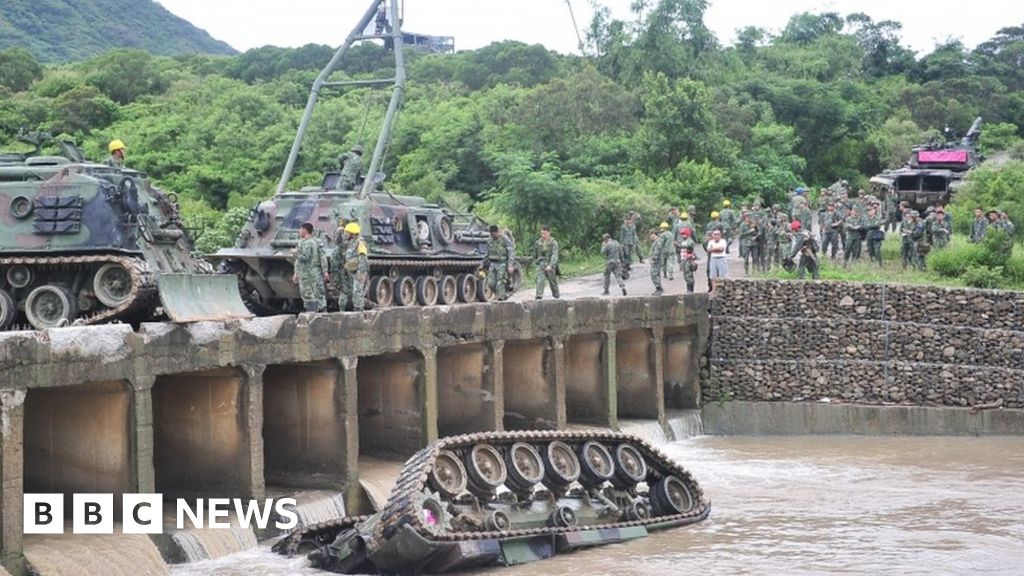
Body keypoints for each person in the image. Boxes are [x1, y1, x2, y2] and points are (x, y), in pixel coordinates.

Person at [292, 222, 328, 312]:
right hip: (313, 272)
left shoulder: (308, 243)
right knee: (319, 293)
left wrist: (295, 252)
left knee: (308, 294)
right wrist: (296, 272)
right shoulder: (315, 241)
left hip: (308, 273)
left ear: (305, 230)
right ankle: (323, 313)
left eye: (300, 229)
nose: (299, 231)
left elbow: (305, 257)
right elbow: (322, 257)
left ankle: (312, 314)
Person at [336, 222, 369, 311]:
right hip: (349, 270)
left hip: (357, 271)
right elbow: (339, 244)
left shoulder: (360, 243)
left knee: (357, 292)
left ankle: (358, 311)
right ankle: (342, 309)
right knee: (345, 291)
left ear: (353, 234)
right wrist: (339, 233)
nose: (345, 234)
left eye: (347, 233)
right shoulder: (350, 242)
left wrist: (361, 272)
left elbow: (363, 258)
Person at [484, 225, 514, 301]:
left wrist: (510, 264)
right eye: (491, 234)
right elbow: (487, 253)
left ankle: (501, 298)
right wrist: (482, 263)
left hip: (502, 263)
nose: (492, 236)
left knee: (500, 282)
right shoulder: (490, 240)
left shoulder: (504, 239)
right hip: (492, 264)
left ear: (497, 232)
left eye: (493, 234)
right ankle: (501, 295)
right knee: (491, 283)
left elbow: (510, 252)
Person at [533, 225, 560, 299]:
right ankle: (539, 296)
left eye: (544, 233)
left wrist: (551, 265)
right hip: (541, 264)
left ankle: (556, 296)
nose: (543, 235)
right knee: (539, 280)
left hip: (550, 264)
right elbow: (535, 254)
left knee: (553, 282)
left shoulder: (553, 242)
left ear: (549, 232)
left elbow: (555, 255)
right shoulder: (538, 243)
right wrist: (536, 262)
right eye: (542, 233)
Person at [679, 227, 698, 293]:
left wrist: (679, 245)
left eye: (684, 234)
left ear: (687, 234)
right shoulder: (683, 241)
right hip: (683, 259)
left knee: (689, 275)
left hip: (688, 260)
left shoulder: (690, 241)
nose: (683, 235)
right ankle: (688, 289)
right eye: (682, 234)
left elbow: (690, 246)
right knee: (685, 276)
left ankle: (690, 290)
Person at [648, 228, 667, 295]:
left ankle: (658, 288)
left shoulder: (657, 242)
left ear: (654, 234)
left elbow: (657, 251)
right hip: (657, 260)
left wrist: (653, 259)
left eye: (651, 235)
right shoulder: (656, 242)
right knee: (656, 274)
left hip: (656, 261)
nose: (650, 237)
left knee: (654, 274)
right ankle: (659, 288)